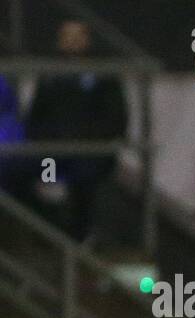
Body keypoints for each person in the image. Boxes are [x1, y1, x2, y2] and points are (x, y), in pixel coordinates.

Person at [23, 19, 128, 242]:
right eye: (66, 37)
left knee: (84, 180)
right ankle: (49, 236)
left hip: (89, 153)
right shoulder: (50, 75)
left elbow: (115, 118)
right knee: (44, 177)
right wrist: (46, 141)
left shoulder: (103, 74)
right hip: (55, 154)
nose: (72, 42)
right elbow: (36, 116)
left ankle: (82, 237)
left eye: (77, 36)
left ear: (87, 40)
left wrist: (86, 140)